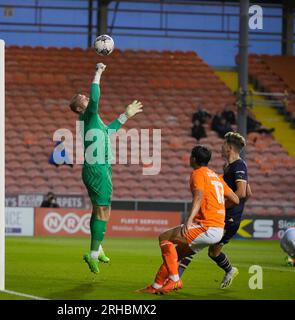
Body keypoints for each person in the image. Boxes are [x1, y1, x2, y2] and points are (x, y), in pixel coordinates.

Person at [69, 62, 143, 274]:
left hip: (99, 168)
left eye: (85, 95)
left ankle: (97, 248)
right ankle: (93, 255)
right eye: (82, 98)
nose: (86, 96)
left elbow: (109, 131)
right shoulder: (88, 115)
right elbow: (95, 97)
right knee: (103, 211)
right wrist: (98, 72)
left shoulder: (93, 121)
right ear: (79, 108)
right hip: (97, 169)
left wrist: (126, 114)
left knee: (102, 210)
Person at [136, 145, 239, 294]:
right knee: (175, 255)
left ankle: (174, 279)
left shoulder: (198, 173)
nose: (189, 158)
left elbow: (198, 196)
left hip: (206, 227)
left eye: (191, 156)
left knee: (164, 238)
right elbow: (235, 199)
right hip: (216, 229)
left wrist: (189, 219)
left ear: (194, 159)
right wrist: (219, 208)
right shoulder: (216, 176)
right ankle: (156, 286)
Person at [178, 132, 252, 289]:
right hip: (223, 217)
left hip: (228, 218)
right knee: (213, 253)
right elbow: (248, 192)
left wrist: (223, 207)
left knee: (191, 247)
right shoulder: (230, 167)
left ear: (230, 148)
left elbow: (242, 193)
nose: (221, 147)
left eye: (224, 144)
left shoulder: (239, 165)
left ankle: (173, 279)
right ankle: (230, 270)